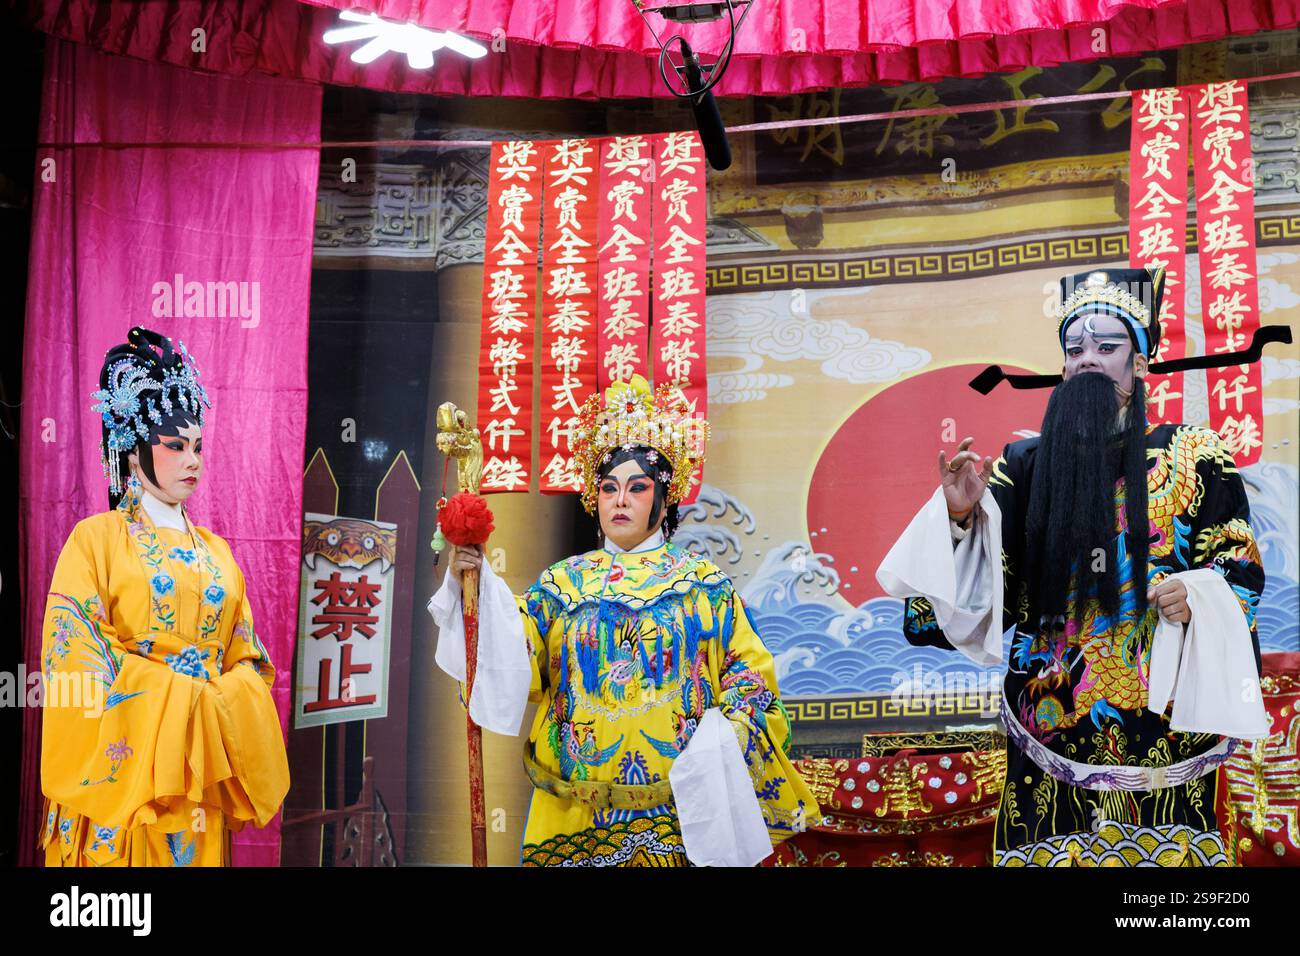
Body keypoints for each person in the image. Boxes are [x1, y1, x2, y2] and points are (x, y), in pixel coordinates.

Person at [878, 268, 1270, 867]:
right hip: (1049, 732)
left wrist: (1197, 593)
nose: (1087, 359)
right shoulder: (1026, 465)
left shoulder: (1194, 455)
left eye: (1107, 347)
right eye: (1074, 349)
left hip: (1165, 728)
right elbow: (984, 596)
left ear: (1140, 366)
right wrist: (960, 522)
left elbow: (1238, 564)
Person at [430, 374, 816, 866]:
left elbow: (750, 677)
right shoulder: (563, 584)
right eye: (609, 487)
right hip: (574, 810)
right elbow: (511, 660)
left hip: (680, 815)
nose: (620, 499)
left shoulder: (704, 585)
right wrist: (478, 590)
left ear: (664, 497)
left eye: (637, 487)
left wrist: (729, 733)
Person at [39, 327, 289, 866]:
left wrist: (220, 701)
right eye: (174, 447)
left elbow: (247, 657)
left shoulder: (219, 554)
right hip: (131, 770)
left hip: (199, 769)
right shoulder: (96, 540)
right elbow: (74, 657)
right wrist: (174, 698)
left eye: (197, 446)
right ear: (131, 453)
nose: (192, 460)